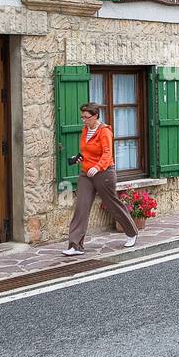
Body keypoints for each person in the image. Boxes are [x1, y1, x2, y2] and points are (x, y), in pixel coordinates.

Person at [63, 102, 137, 256]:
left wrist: (97, 167)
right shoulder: (85, 130)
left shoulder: (104, 131)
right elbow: (87, 151)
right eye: (82, 117)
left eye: (86, 117)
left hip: (104, 173)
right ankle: (75, 245)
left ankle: (131, 232)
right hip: (86, 174)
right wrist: (80, 158)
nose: (83, 120)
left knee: (112, 204)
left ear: (95, 116)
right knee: (81, 207)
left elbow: (107, 154)